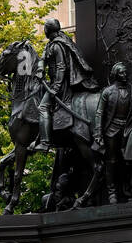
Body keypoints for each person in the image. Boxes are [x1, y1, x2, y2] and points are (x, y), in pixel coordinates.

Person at [35, 17, 99, 153]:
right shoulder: (50, 44)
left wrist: (56, 88)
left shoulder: (57, 45)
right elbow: (42, 59)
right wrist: (40, 69)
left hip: (61, 84)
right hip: (53, 82)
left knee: (42, 107)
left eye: (45, 28)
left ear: (48, 30)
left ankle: (45, 142)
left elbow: (61, 67)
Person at [92, 62, 132, 203]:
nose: (125, 75)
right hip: (112, 129)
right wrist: (98, 133)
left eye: (125, 72)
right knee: (111, 160)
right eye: (121, 73)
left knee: (129, 157)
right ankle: (112, 192)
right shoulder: (108, 91)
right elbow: (99, 113)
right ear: (116, 75)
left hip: (129, 127)